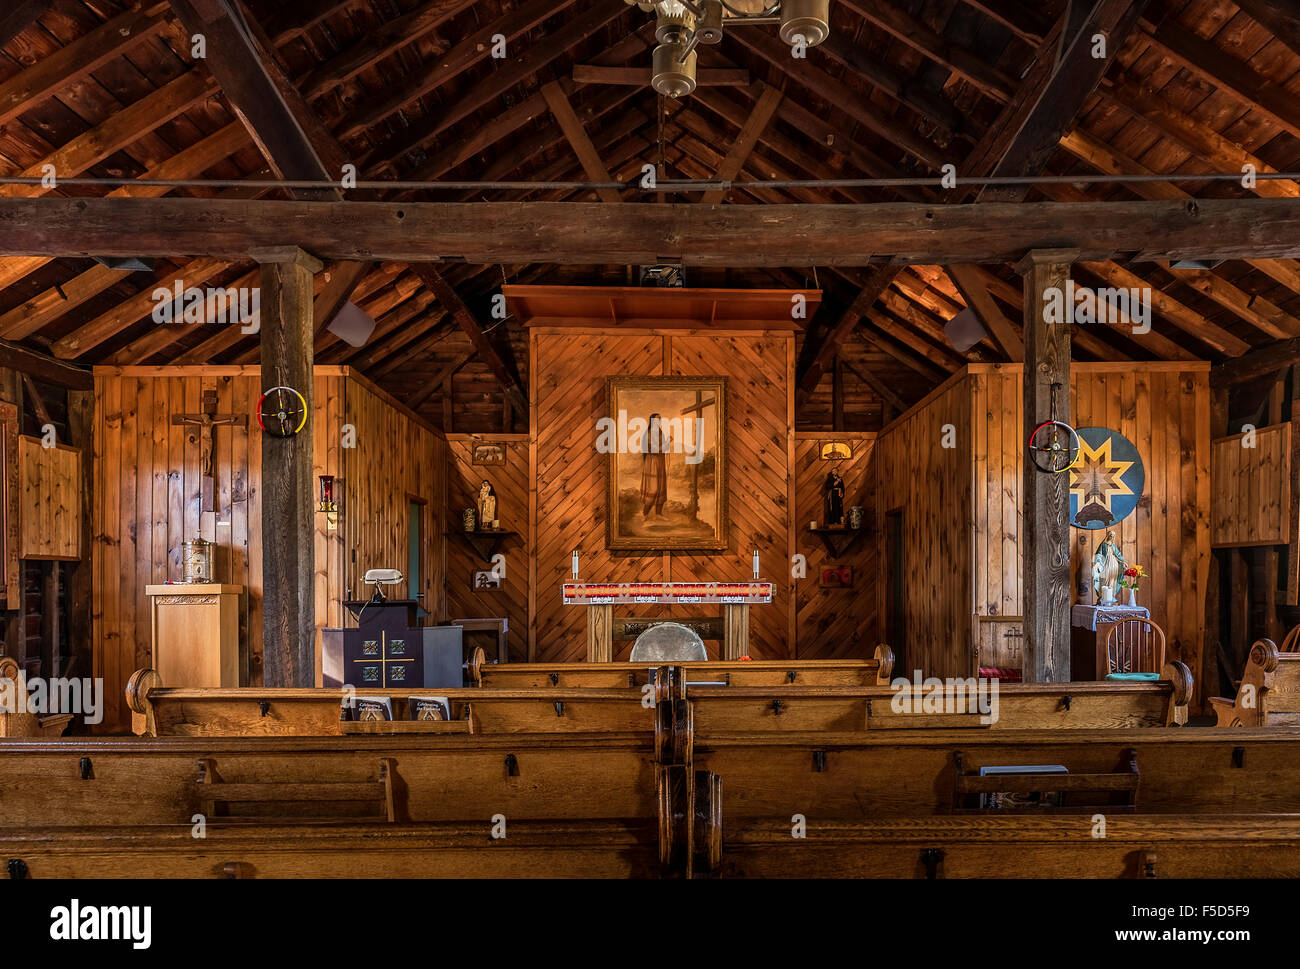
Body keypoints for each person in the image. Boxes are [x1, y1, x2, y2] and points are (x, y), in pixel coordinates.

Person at [641, 413, 671, 518]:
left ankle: (658, 513)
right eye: (657, 419)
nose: (659, 421)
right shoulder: (648, 434)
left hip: (660, 462)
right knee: (653, 488)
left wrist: (667, 444)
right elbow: (654, 450)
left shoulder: (660, 433)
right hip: (652, 462)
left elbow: (663, 449)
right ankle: (645, 514)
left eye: (660, 419)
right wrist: (667, 442)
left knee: (661, 486)